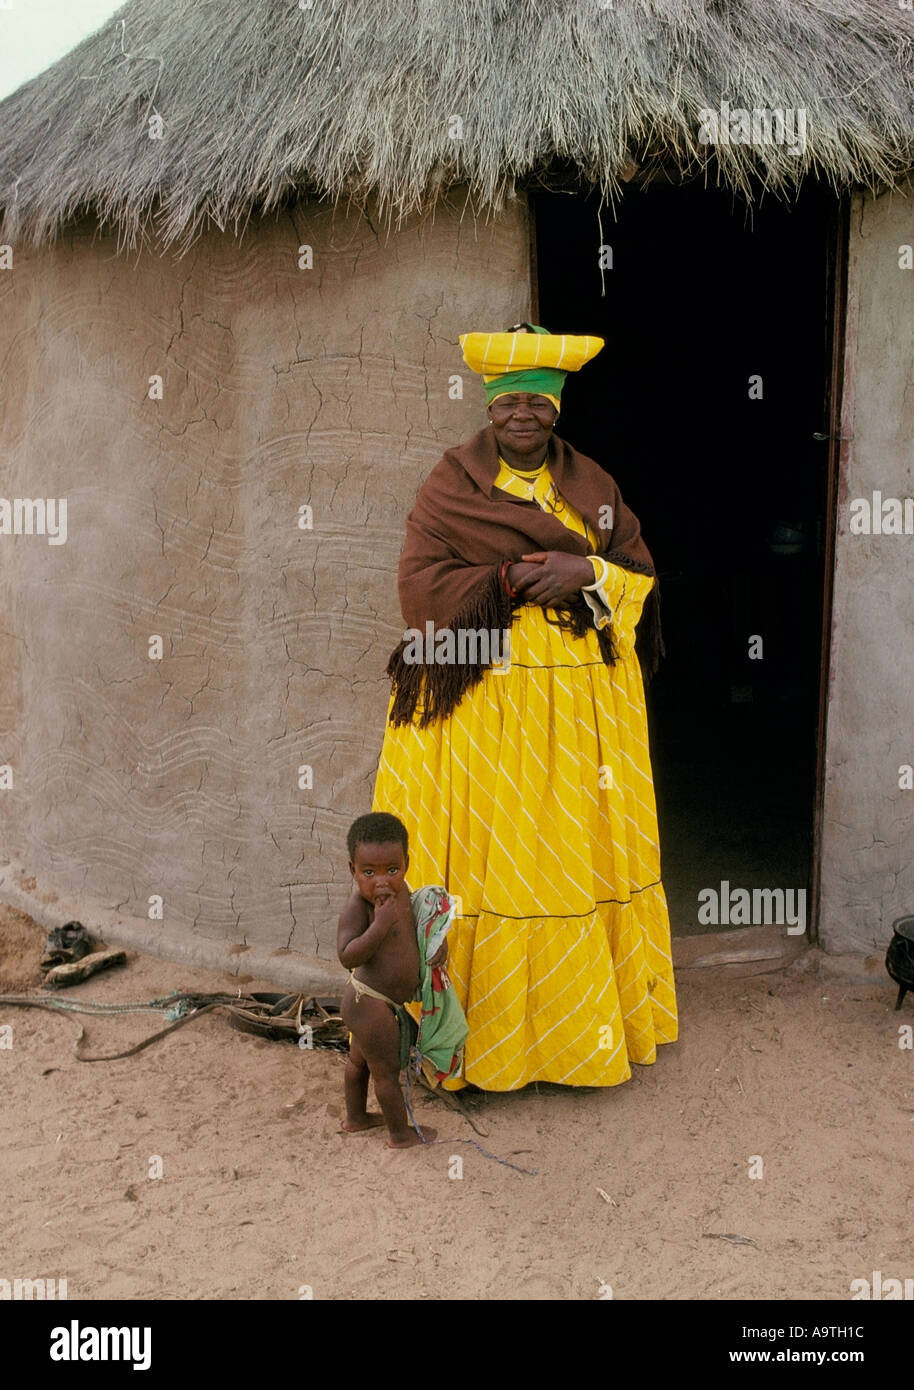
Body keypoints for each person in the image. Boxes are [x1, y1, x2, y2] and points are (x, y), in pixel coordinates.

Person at [372, 323, 678, 1092]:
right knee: (501, 860)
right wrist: (504, 582)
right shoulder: (451, 486)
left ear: (556, 410)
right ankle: (480, 1043)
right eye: (509, 403)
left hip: (578, 715)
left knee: (567, 857)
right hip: (485, 712)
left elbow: (640, 575)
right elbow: (419, 588)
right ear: (489, 408)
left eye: (537, 404)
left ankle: (579, 1038)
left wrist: (588, 573)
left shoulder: (594, 488)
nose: (523, 417)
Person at [337, 811, 467, 1148]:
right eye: (369, 872)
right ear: (353, 869)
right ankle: (399, 1134)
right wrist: (379, 926)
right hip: (370, 1002)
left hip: (373, 1004)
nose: (382, 881)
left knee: (358, 1062)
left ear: (406, 863)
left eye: (391, 870)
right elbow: (347, 955)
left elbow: (417, 932)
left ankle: (356, 1117)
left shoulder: (404, 894)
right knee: (386, 1072)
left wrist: (438, 945)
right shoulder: (359, 908)